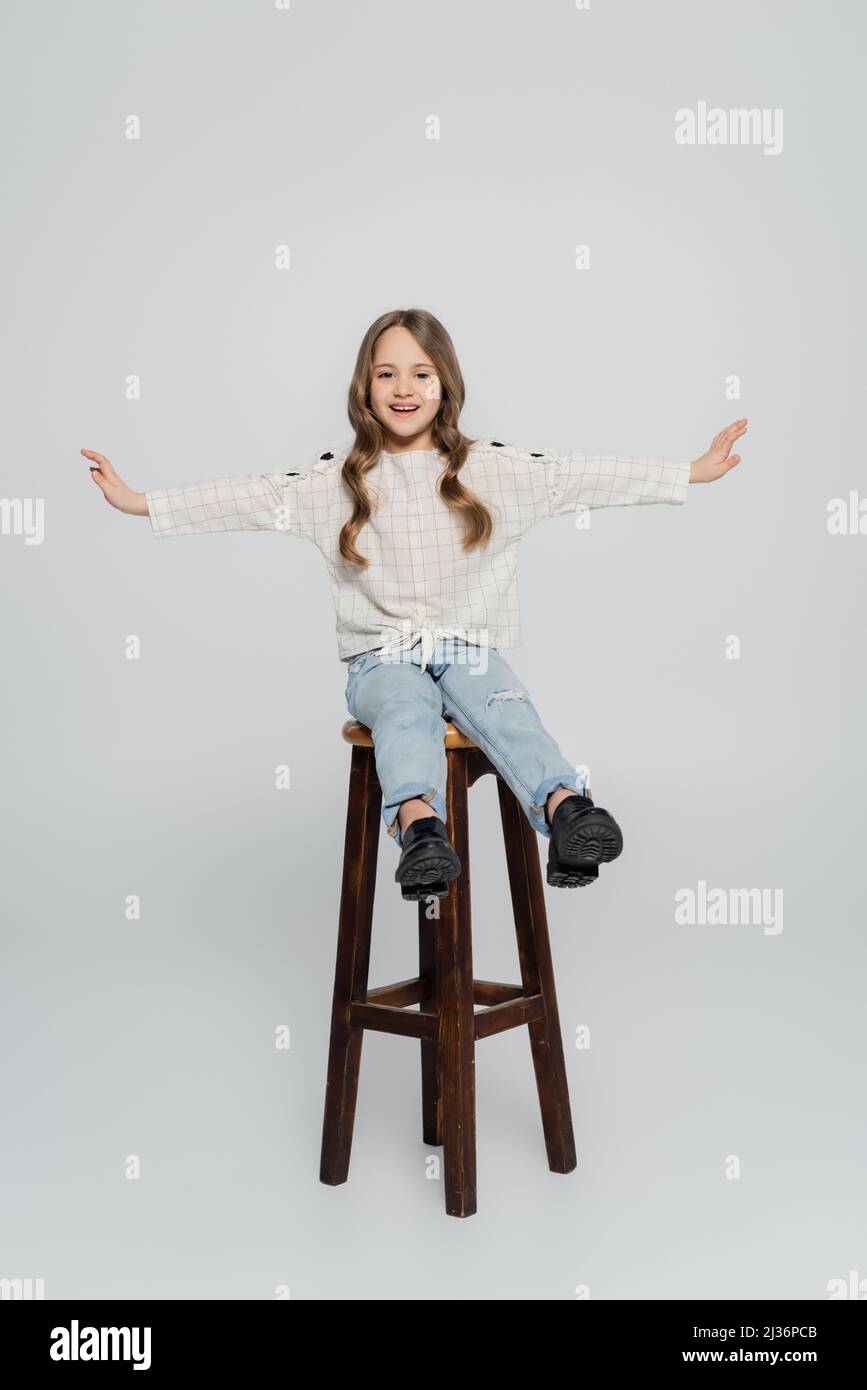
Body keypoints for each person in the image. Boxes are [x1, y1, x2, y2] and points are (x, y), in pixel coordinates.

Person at [83, 307, 746, 903]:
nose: (403, 389)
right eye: (386, 375)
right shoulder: (336, 482)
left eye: (420, 374)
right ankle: (420, 826)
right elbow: (247, 497)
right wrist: (144, 501)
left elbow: (581, 476)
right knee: (404, 714)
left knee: (505, 711)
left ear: (445, 386)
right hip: (382, 657)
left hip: (465, 647)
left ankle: (568, 808)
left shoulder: (492, 470)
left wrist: (688, 470)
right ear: (364, 389)